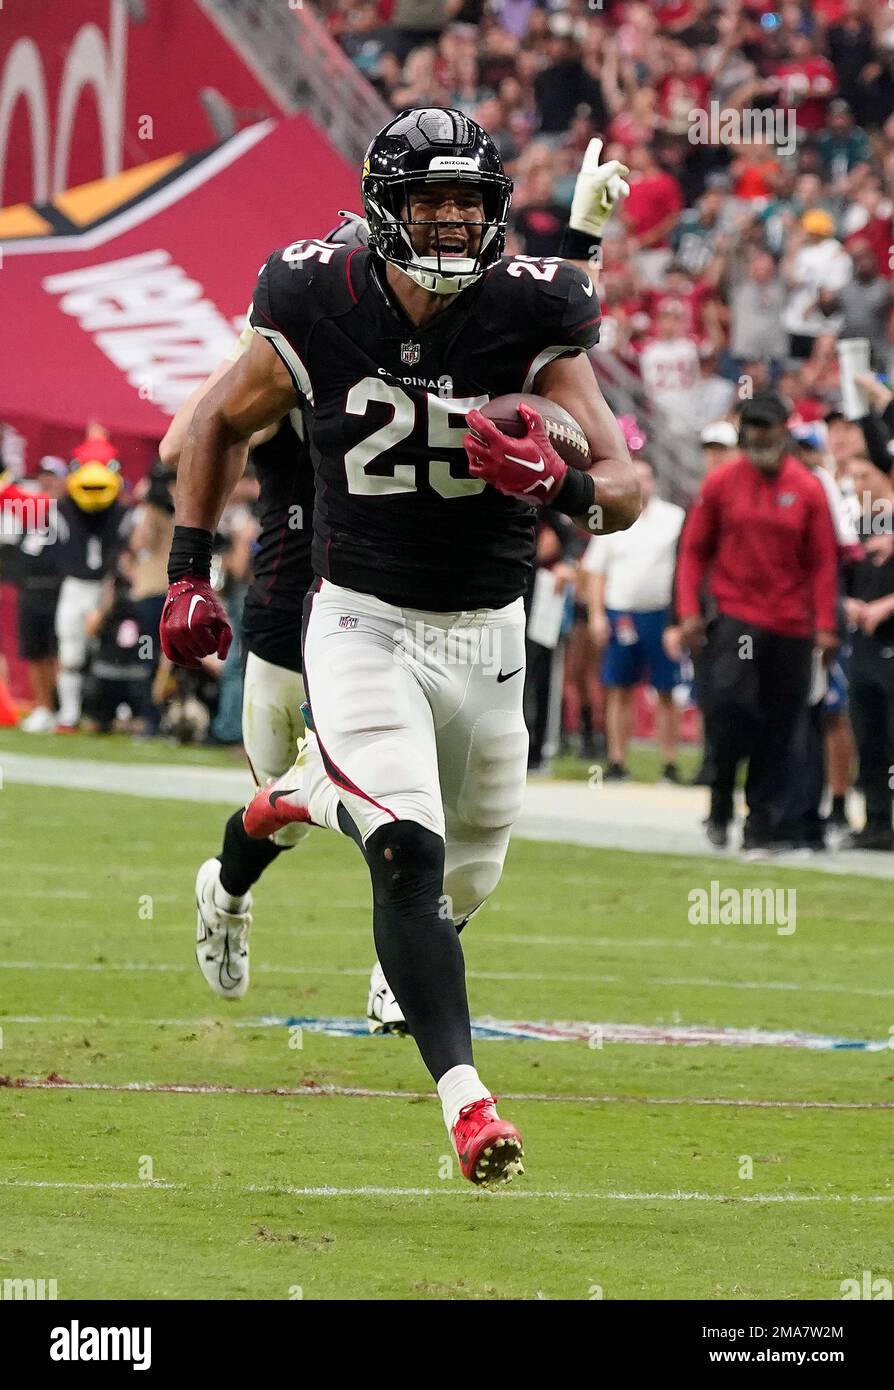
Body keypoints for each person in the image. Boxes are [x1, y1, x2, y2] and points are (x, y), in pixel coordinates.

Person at [160, 108, 640, 1185]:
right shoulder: (308, 299)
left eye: (470, 203)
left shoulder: (531, 308)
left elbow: (628, 487)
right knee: (407, 854)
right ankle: (468, 1105)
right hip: (358, 615)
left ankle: (299, 798)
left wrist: (558, 486)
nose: (452, 221)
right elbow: (208, 424)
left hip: (489, 635)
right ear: (383, 208)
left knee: (465, 871)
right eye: (430, 200)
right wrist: (189, 568)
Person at [675, 391, 839, 856]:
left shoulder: (808, 489)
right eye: (753, 427)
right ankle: (721, 796)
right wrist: (689, 610)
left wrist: (826, 624)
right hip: (736, 618)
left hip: (791, 624)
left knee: (781, 724)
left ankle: (760, 823)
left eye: (767, 427)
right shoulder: (722, 483)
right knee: (731, 710)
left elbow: (822, 561)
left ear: (784, 430)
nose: (760, 436)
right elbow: (694, 550)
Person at [582, 456, 685, 782]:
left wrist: (681, 617)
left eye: (646, 478)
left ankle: (669, 761)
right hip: (621, 611)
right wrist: (596, 615)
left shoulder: (674, 518)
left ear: (654, 482)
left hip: (661, 612)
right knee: (619, 688)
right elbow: (596, 571)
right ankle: (616, 760)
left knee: (667, 690)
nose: (641, 485)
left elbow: (685, 569)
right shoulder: (612, 514)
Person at [16, 458, 66, 733]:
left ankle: (61, 707)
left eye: (52, 475)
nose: (46, 480)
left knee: (58, 652)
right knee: (35, 652)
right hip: (31, 588)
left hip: (59, 588)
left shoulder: (68, 510)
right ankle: (43, 706)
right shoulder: (28, 510)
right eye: (43, 474)